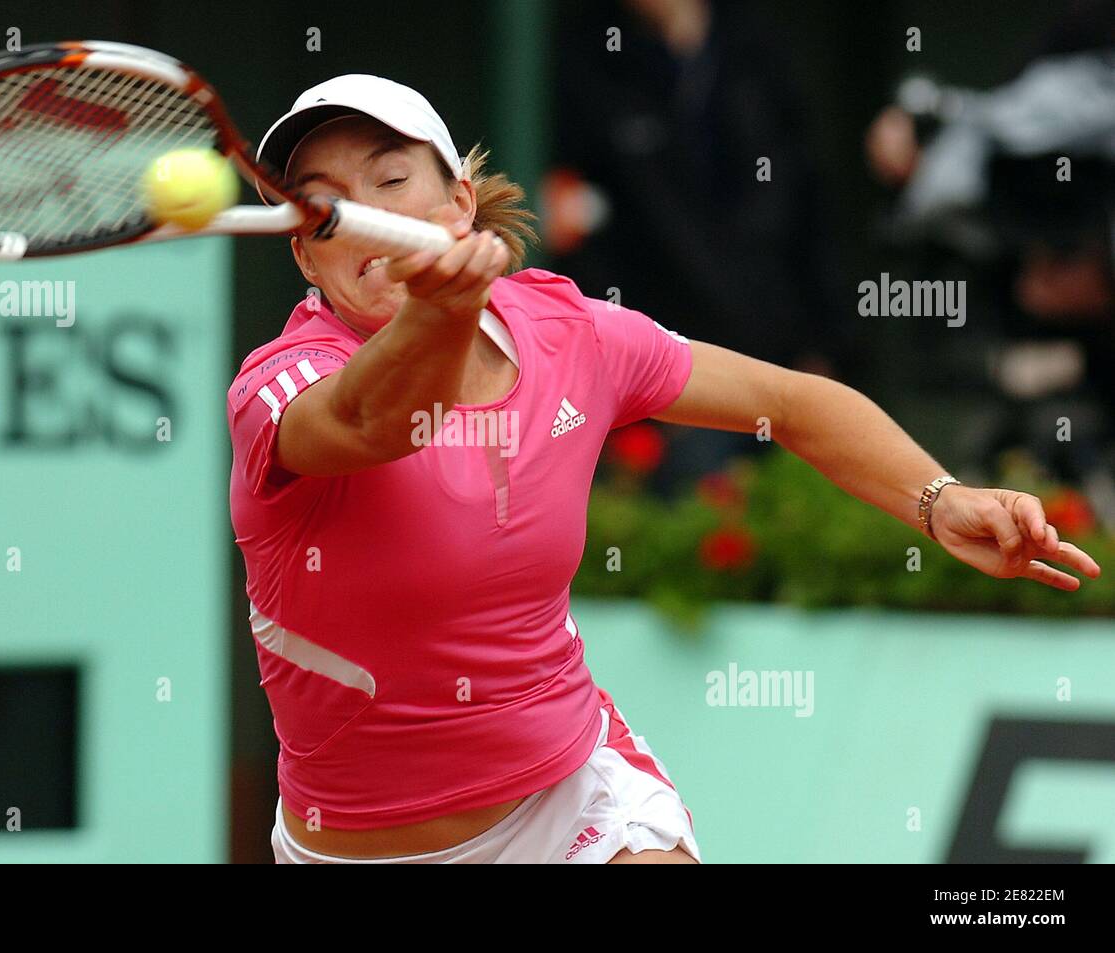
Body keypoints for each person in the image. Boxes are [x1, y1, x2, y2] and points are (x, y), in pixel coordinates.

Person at [227, 74, 1102, 865]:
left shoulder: (571, 335)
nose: (360, 214)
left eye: (389, 180)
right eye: (323, 205)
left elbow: (792, 404)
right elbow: (369, 419)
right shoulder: (281, 385)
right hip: (360, 844)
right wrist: (438, 312)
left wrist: (938, 498)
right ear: (308, 255)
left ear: (459, 203)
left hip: (571, 799)